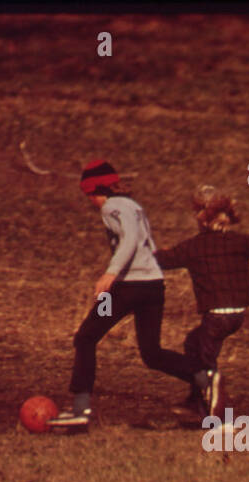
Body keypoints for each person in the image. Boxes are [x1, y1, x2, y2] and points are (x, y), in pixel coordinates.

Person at [49, 160, 209, 429]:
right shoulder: (134, 206)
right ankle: (206, 378)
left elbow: (131, 239)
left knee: (85, 337)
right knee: (152, 353)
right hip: (153, 285)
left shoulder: (111, 206)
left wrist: (110, 273)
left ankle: (80, 409)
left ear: (91, 191)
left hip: (126, 288)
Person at [153, 185, 249, 417]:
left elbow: (165, 261)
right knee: (192, 343)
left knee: (206, 364)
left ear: (202, 220)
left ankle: (215, 409)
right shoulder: (239, 241)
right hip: (236, 315)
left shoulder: (193, 247)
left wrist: (146, 253)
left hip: (216, 316)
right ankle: (195, 401)